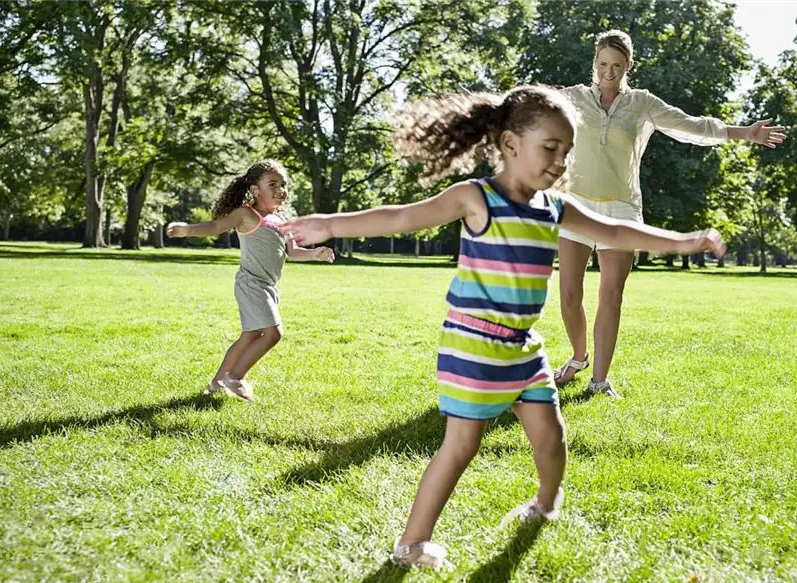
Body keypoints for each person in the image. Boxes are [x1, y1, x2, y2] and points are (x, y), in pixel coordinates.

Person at [283, 85, 725, 569]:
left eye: (566, 152)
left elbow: (616, 231)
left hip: (523, 350)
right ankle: (411, 545)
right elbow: (401, 218)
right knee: (461, 446)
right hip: (473, 347)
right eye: (550, 149)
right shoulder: (477, 198)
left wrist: (684, 241)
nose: (559, 163)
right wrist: (329, 224)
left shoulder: (555, 208)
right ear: (511, 144)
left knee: (551, 435)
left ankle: (545, 506)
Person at [554, 30, 786, 397]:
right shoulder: (572, 98)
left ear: (628, 66)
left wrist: (745, 133)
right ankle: (579, 356)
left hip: (621, 209)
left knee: (611, 293)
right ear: (593, 63)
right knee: (569, 295)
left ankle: (599, 380)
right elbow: (527, 111)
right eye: (602, 65)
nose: (608, 72)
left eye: (616, 66)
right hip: (576, 205)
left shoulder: (642, 104)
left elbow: (691, 126)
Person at [165, 159, 334, 402]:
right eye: (273, 184)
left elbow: (292, 251)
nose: (281, 190)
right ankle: (235, 377)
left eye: (283, 185)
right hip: (251, 284)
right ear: (255, 190)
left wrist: (315, 254)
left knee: (250, 336)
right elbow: (215, 226)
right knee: (273, 333)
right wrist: (187, 230)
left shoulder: (281, 220)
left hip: (268, 287)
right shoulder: (246, 214)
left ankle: (216, 383)